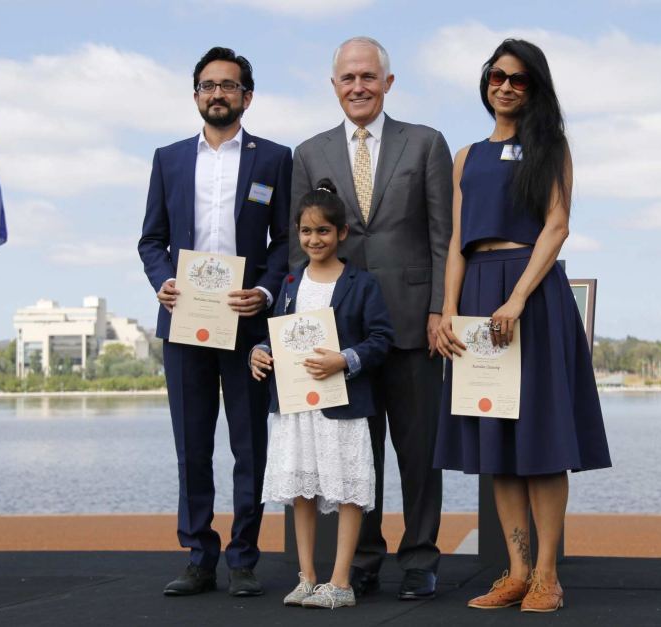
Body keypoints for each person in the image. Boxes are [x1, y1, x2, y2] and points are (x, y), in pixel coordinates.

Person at [433, 39, 611, 613]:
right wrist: (448, 312)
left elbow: (557, 227)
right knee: (496, 441)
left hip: (529, 294)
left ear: (534, 88)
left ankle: (548, 577)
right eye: (496, 76)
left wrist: (515, 299)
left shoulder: (551, 147)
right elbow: (457, 243)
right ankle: (516, 572)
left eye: (518, 79)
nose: (505, 86)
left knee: (540, 440)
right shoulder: (466, 157)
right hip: (477, 295)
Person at [290, 35, 452, 600]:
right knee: (356, 451)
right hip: (343, 338)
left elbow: (443, 238)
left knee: (417, 449)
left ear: (388, 82)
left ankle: (421, 556)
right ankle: (362, 557)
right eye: (346, 78)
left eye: (367, 76)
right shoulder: (310, 153)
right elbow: (298, 250)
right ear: (334, 86)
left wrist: (440, 310)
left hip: (413, 327)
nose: (357, 86)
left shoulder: (426, 144)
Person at [138, 46, 292, 597]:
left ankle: (244, 558)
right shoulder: (169, 158)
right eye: (208, 85)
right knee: (192, 446)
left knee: (250, 447)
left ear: (247, 97)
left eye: (228, 86)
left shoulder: (274, 159)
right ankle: (199, 555)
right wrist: (162, 281)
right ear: (196, 94)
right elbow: (151, 239)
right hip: (183, 323)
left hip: (247, 325)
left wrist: (266, 291)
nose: (218, 94)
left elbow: (286, 242)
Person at [250, 179, 395, 609]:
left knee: (348, 488)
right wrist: (260, 352)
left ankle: (341, 581)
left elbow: (381, 338)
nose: (315, 239)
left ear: (342, 233)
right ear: (298, 234)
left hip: (343, 406)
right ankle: (307, 577)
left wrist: (344, 359)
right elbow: (277, 337)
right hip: (297, 407)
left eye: (324, 231)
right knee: (302, 489)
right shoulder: (291, 285)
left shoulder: (362, 283)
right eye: (307, 231)